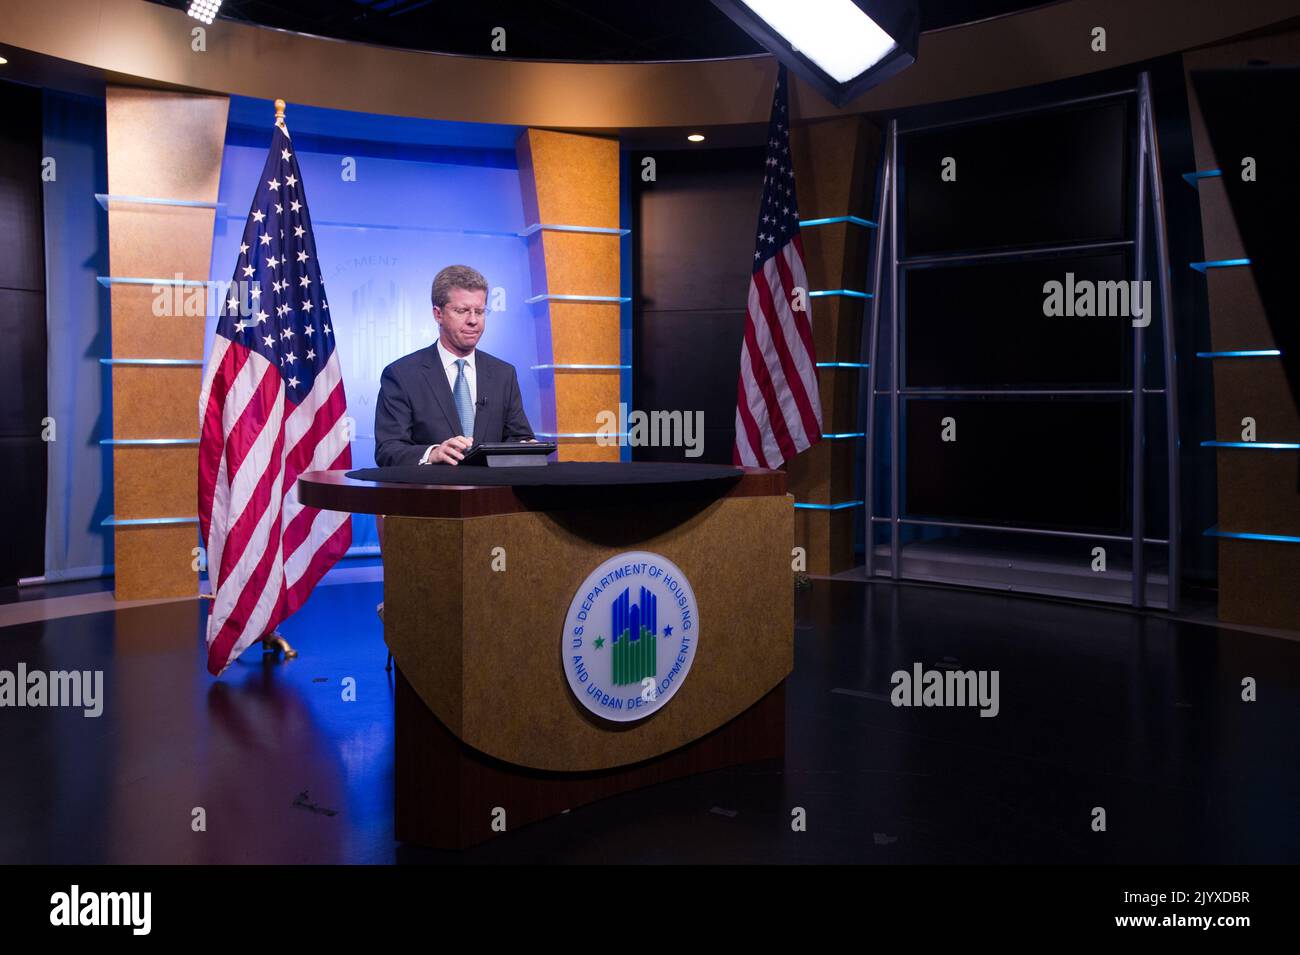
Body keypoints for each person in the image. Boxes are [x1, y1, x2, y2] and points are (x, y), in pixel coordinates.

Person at [374, 264, 534, 467]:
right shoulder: (401, 375)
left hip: (491, 495)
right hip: (432, 495)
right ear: (437, 314)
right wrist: (432, 453)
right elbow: (388, 450)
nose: (473, 320)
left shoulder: (504, 373)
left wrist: (527, 447)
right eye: (462, 311)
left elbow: (518, 437)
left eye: (480, 311)